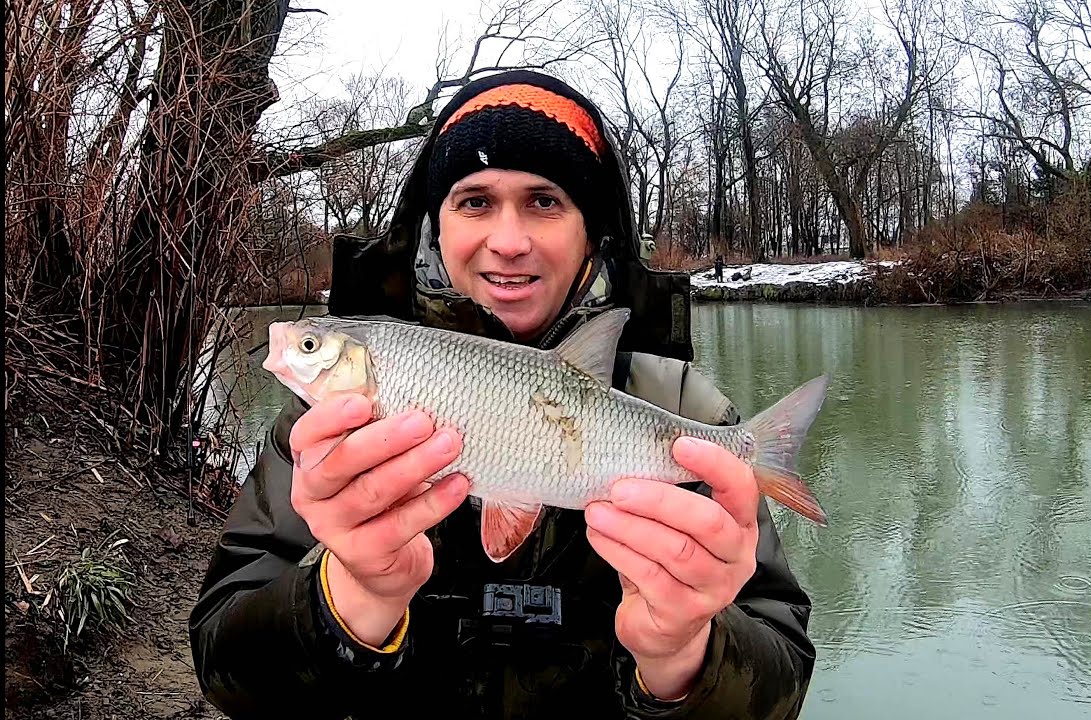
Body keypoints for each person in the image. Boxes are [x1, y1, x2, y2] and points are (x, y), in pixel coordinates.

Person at [189, 70, 817, 720]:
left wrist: (684, 655)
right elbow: (225, 671)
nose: (509, 241)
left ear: (589, 232)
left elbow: (780, 684)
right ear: (438, 224)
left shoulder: (689, 410)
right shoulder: (325, 430)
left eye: (544, 201)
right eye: (475, 201)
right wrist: (349, 598)